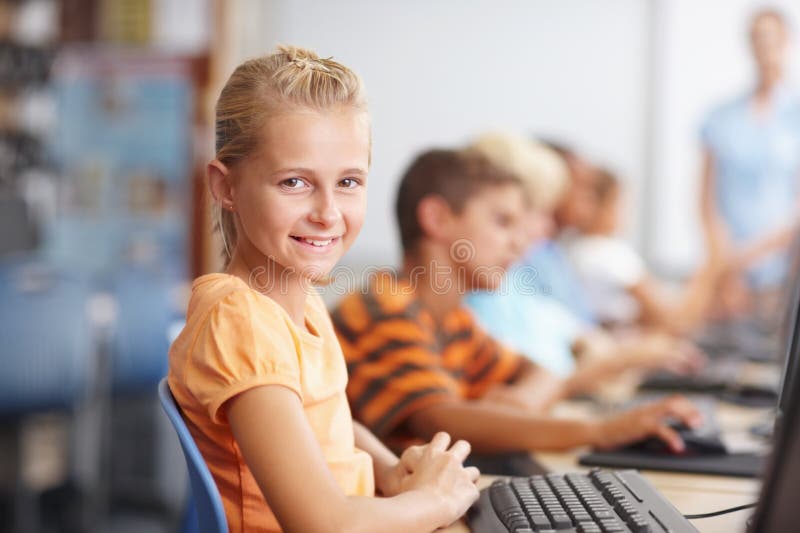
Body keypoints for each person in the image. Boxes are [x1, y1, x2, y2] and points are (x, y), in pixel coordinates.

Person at [167, 46, 480, 533]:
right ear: (226, 187)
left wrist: (389, 469)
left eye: (349, 181)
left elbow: (327, 429)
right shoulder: (241, 319)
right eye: (294, 182)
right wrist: (436, 504)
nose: (328, 212)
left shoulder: (299, 304)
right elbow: (323, 524)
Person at [332, 148, 702, 457]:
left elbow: (539, 372)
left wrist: (518, 406)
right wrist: (600, 431)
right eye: (502, 221)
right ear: (437, 218)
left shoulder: (454, 321)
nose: (518, 243)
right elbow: (441, 421)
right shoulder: (386, 308)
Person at [463, 133, 704, 384]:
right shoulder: (492, 286)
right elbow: (529, 387)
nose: (538, 230)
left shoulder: (536, 267)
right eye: (504, 220)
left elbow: (573, 342)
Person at [699, 8, 800, 317]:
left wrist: (748, 256)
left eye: (771, 39)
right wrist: (726, 266)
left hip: (784, 271)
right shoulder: (721, 116)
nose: (765, 47)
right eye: (757, 39)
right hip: (729, 277)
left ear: (787, 41)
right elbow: (706, 200)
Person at [564, 166, 721, 335]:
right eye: (618, 204)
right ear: (601, 205)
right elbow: (671, 319)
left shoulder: (568, 248)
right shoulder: (608, 253)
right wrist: (711, 266)